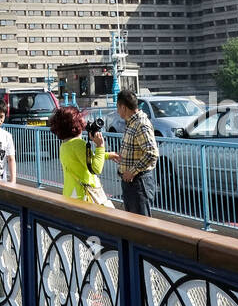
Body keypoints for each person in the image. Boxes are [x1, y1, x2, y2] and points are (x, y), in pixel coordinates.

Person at [107, 88, 158, 216]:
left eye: (118, 107)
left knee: (141, 226)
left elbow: (151, 153)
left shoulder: (141, 124)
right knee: (132, 224)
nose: (117, 112)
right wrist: (122, 157)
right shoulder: (132, 122)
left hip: (139, 182)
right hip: (132, 182)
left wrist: (132, 171)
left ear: (123, 107)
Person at [51, 106, 112, 207]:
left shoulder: (65, 145)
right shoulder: (78, 144)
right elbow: (96, 168)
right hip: (85, 197)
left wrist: (108, 155)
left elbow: (86, 160)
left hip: (71, 194)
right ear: (76, 124)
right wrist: (100, 146)